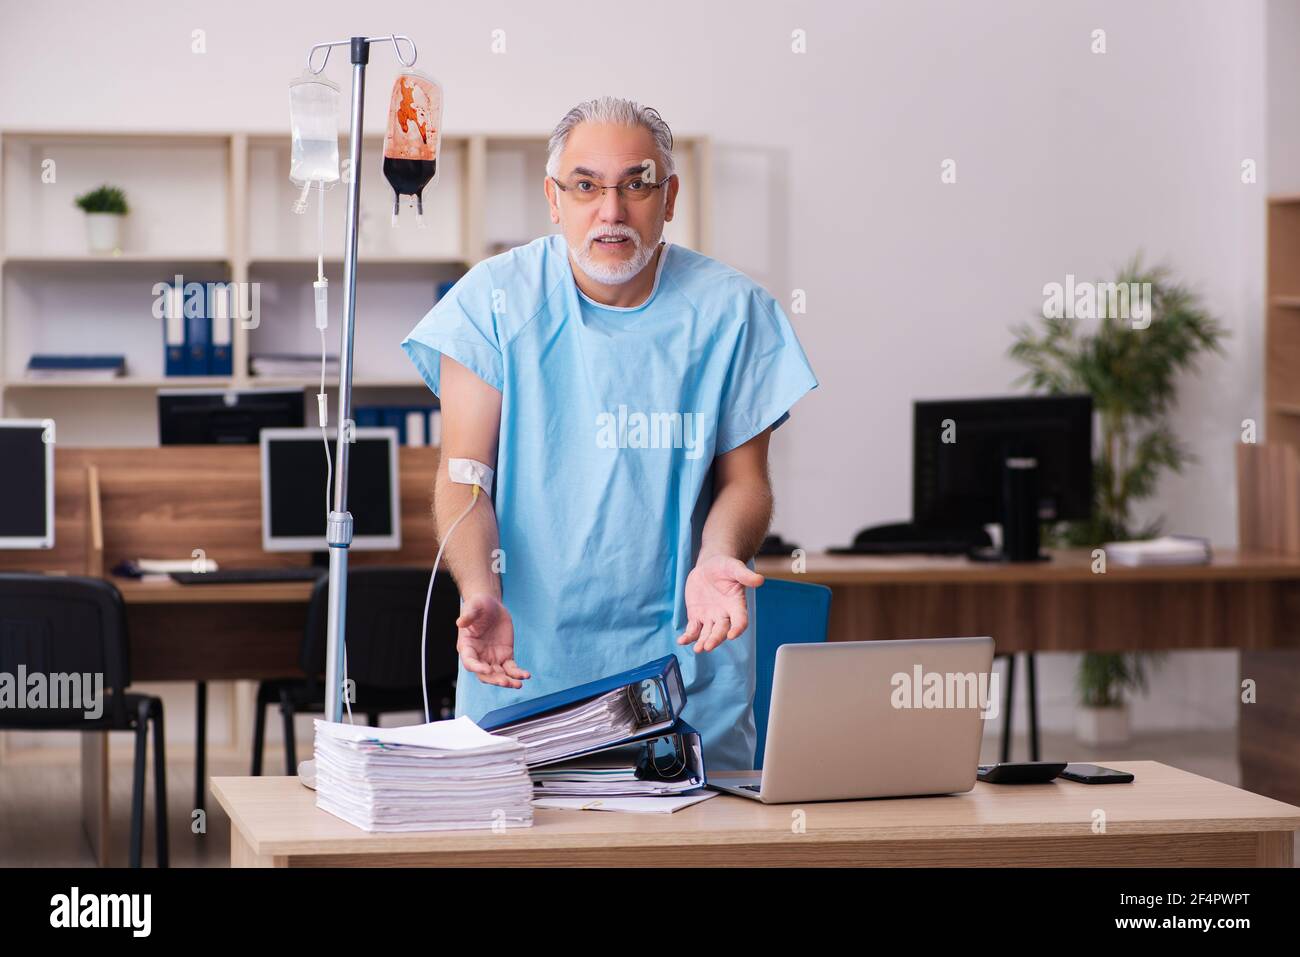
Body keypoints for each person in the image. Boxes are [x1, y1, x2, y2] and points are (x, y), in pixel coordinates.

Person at [401, 96, 816, 770]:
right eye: (587, 185)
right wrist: (480, 588)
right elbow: (464, 477)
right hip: (529, 671)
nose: (612, 210)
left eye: (637, 184)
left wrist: (717, 556)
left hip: (687, 669)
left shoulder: (733, 313)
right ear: (553, 197)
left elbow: (744, 483)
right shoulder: (493, 304)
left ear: (670, 196)